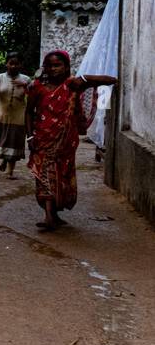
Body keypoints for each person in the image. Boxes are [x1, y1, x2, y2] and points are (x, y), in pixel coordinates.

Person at [25, 50, 117, 231]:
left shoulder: (72, 85)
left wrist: (83, 78)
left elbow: (108, 80)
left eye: (57, 65)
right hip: (43, 139)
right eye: (50, 65)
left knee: (62, 175)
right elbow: (28, 112)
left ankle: (54, 214)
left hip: (66, 142)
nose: (53, 69)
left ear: (66, 67)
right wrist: (30, 136)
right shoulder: (37, 87)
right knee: (44, 175)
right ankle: (48, 216)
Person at [0, 52, 30, 177]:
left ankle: (10, 171)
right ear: (6, 64)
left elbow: (33, 95)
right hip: (3, 114)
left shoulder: (26, 80)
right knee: (4, 139)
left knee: (15, 141)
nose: (13, 66)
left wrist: (26, 86)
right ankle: (5, 159)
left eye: (16, 64)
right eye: (11, 63)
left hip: (19, 115)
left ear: (21, 65)